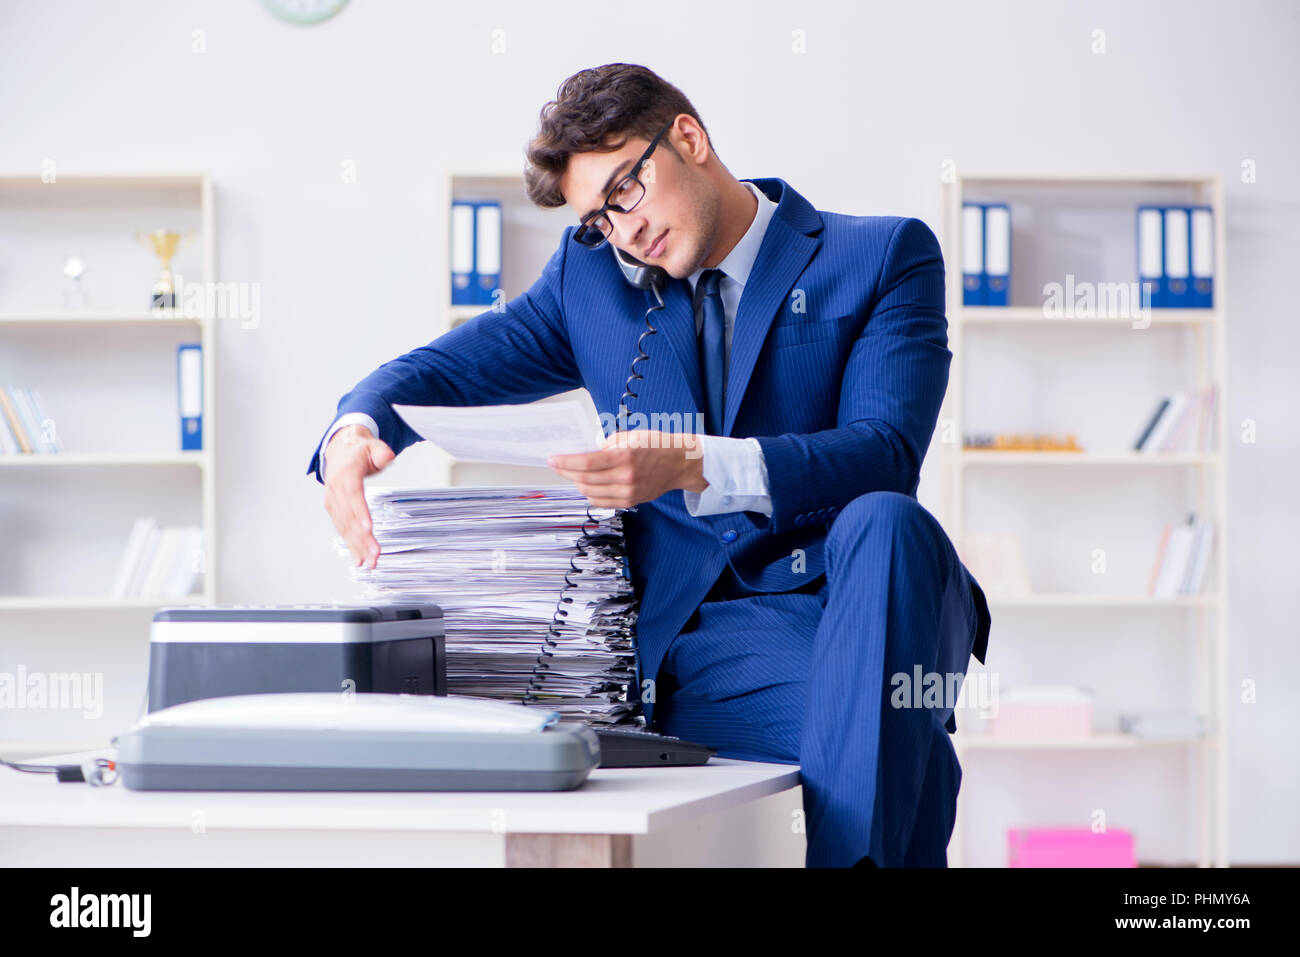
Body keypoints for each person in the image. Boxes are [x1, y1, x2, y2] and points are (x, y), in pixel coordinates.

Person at [307, 62, 990, 868]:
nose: (622, 233)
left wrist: (697, 464)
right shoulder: (592, 281)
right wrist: (354, 428)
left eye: (624, 192)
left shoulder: (881, 255)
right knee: (903, 749)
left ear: (689, 139)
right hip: (716, 640)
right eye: (598, 219)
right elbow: (447, 368)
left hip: (874, 592)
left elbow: (886, 450)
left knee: (887, 519)